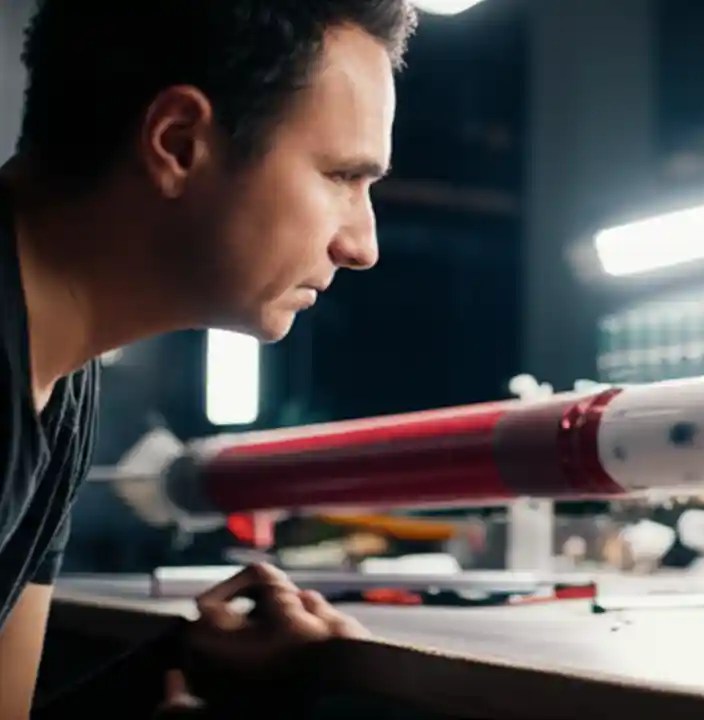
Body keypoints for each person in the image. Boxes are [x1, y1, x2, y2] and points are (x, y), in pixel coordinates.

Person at [0, 1, 419, 716]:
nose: (363, 244)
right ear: (179, 141)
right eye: (342, 177)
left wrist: (185, 670)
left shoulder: (62, 374)